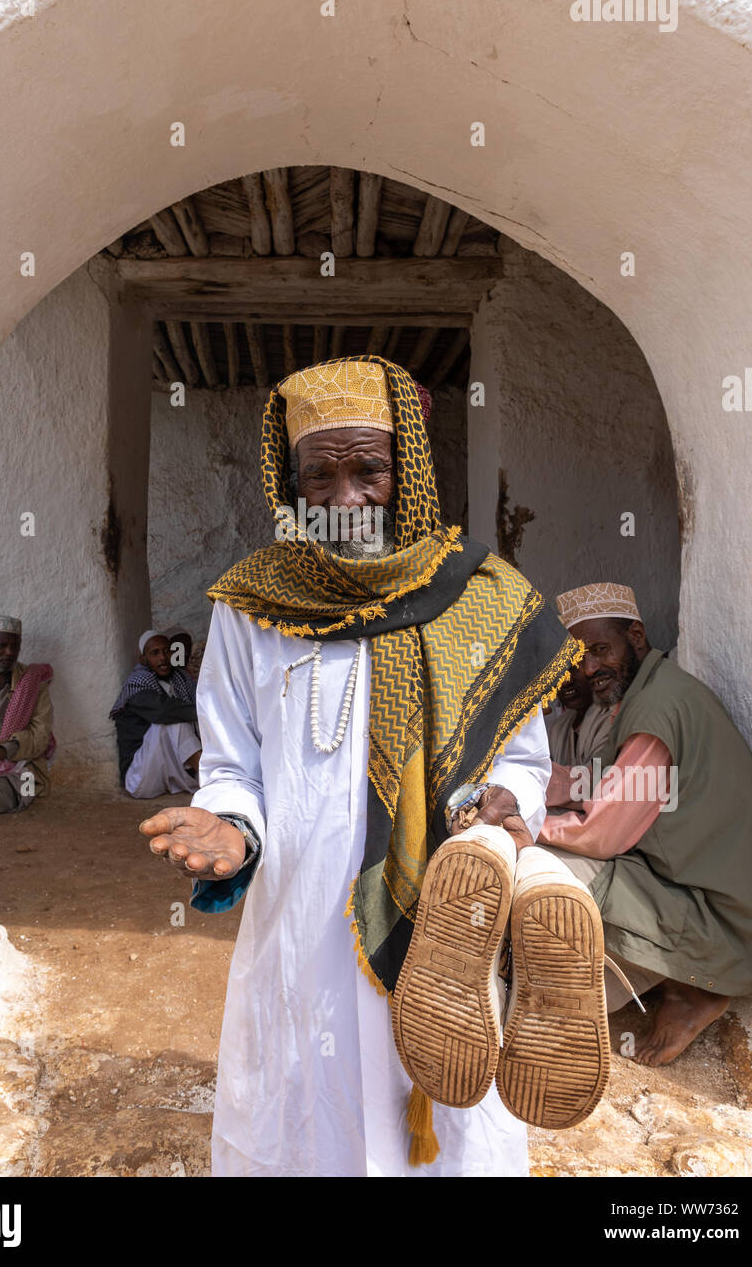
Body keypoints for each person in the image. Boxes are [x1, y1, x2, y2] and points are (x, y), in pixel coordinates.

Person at [139, 357, 592, 1176]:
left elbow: (524, 757)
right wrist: (233, 828)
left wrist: (506, 797)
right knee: (304, 1113)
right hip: (302, 919)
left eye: (368, 471)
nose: (344, 499)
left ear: (407, 468)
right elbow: (233, 763)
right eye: (320, 474)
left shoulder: (483, 596)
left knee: (445, 1103)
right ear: (290, 479)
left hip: (446, 910)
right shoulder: (250, 606)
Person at [535, 582, 752, 1065]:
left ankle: (693, 990)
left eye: (600, 649)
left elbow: (601, 834)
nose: (589, 669)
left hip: (729, 931)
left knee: (547, 863)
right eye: (579, 657)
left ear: (636, 635)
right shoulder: (657, 689)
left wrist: (529, 822)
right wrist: (544, 784)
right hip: (721, 908)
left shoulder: (656, 709)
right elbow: (614, 782)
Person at [111, 630, 201, 797]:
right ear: (143, 659)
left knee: (198, 718)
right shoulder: (137, 685)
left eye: (167, 651)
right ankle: (209, 776)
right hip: (140, 776)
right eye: (155, 653)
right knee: (175, 722)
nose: (163, 657)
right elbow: (165, 710)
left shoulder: (179, 677)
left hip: (168, 770)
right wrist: (205, 712)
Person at [0, 615, 55, 814]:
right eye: (1, 645)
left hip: (23, 768)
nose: (9, 653)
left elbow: (40, 736)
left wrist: (4, 751)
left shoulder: (33, 682)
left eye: (14, 646)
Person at [546, 662, 613, 768]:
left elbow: (598, 776)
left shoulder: (612, 716)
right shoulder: (559, 727)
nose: (566, 681)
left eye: (574, 668)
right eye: (557, 672)